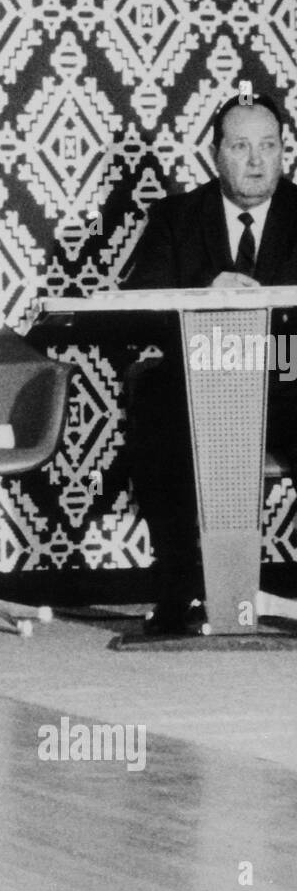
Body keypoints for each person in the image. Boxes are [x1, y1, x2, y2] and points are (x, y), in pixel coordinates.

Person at [122, 91, 297, 633]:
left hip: (288, 372)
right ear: (214, 155)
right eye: (241, 146)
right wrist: (204, 290)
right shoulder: (176, 216)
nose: (256, 160)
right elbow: (138, 306)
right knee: (152, 397)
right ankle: (179, 589)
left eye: (269, 146)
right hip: (199, 379)